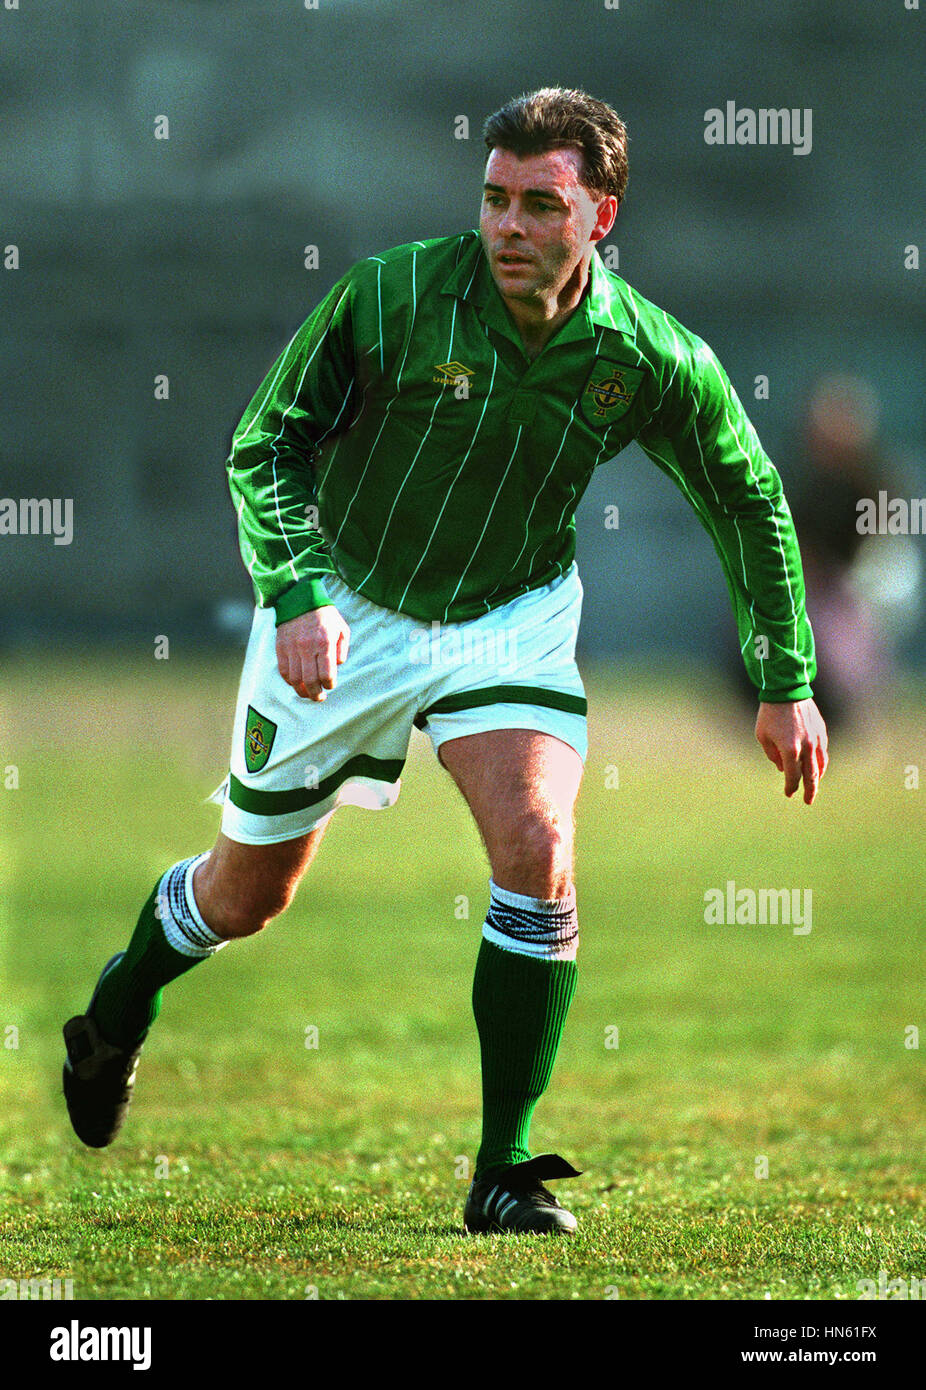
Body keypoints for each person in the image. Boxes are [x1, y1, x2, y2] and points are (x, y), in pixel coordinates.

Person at [62, 87, 829, 1235]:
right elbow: (263, 442)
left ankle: (502, 1170)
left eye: (539, 204)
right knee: (244, 895)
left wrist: (783, 674)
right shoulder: (390, 294)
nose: (508, 226)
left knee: (536, 840)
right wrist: (298, 590)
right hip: (346, 609)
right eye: (493, 199)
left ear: (598, 216)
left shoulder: (644, 352)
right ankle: (114, 1013)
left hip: (506, 617)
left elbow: (745, 493)